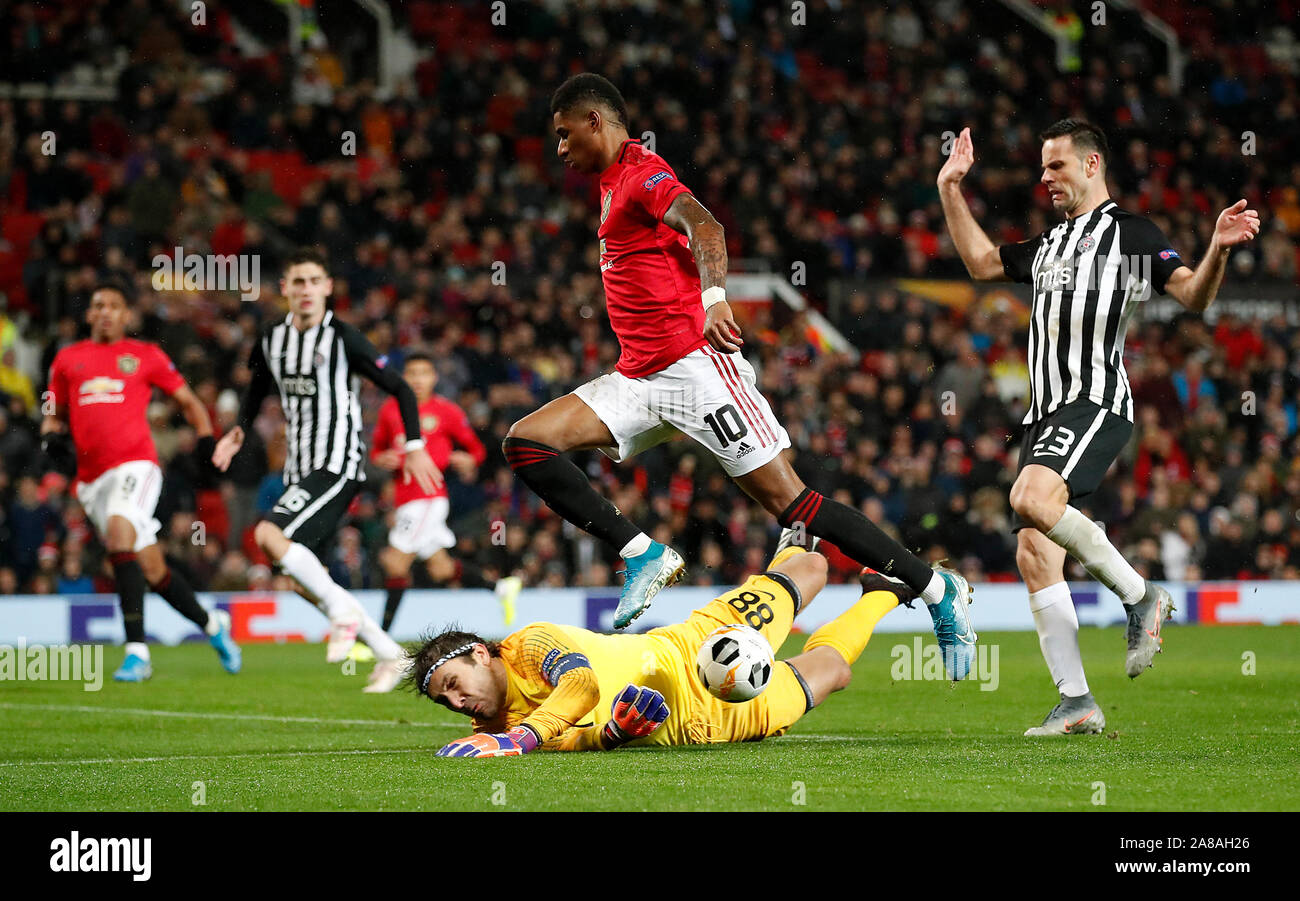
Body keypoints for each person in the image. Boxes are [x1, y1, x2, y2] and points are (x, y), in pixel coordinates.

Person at [502, 73, 973, 679]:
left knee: (795, 506)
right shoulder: (607, 183)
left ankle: (934, 586)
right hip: (638, 378)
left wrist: (715, 297)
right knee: (526, 441)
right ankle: (642, 553)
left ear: (596, 121)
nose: (560, 148)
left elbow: (707, 227)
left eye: (565, 134)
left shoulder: (642, 172)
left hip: (695, 370)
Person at [937, 120, 1261, 734]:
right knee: (1034, 551)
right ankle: (1077, 701)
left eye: (1055, 165)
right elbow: (982, 262)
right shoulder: (1051, 242)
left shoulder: (1131, 235)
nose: (1044, 178)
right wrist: (951, 187)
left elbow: (1192, 297)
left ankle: (1141, 595)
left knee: (1028, 498)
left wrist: (1216, 247)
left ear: (1091, 165)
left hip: (1095, 402)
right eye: (1040, 167)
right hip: (1046, 414)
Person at [409, 532, 912, 756]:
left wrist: (519, 740)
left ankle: (789, 546)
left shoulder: (529, 644)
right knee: (833, 670)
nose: (457, 702)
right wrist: (611, 736)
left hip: (695, 645)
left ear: (479, 653)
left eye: (453, 684)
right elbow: (574, 739)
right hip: (708, 723)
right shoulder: (490, 729)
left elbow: (579, 685)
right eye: (444, 701)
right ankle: (883, 594)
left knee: (813, 567)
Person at [213, 248, 439, 692]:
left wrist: (414, 445)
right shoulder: (272, 338)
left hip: (337, 461)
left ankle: (343, 616)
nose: (306, 290)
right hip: (300, 468)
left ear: (327, 288)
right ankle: (387, 651)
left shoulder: (344, 337)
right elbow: (258, 388)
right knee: (297, 575)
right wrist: (239, 429)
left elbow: (399, 388)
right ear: (285, 289)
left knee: (266, 534)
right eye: (297, 281)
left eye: (314, 281)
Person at [42, 281, 241, 682]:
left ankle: (137, 653)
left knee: (119, 536)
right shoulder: (67, 359)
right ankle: (213, 626)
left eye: (114, 306)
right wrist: (49, 435)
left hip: (137, 466)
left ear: (126, 315)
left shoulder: (144, 355)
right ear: (90, 314)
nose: (106, 312)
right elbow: (53, 408)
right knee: (151, 568)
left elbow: (187, 400)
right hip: (91, 480)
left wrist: (205, 438)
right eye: (98, 305)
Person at [370, 350, 521, 631]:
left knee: (395, 563)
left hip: (427, 497)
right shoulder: (390, 410)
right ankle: (501, 587)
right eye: (412, 373)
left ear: (434, 377)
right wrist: (382, 458)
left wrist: (468, 459)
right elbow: (377, 450)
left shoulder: (446, 411)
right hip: (404, 499)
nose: (417, 380)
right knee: (441, 568)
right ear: (404, 377)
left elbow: (476, 449)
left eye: (424, 373)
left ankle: (379, 639)